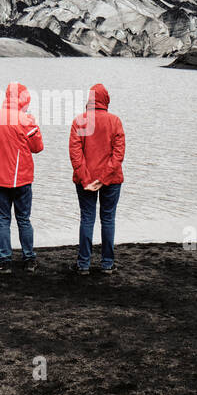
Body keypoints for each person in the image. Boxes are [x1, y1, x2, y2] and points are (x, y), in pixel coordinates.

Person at [0, 82, 43, 275]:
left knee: (3, 219)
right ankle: (29, 259)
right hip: (21, 178)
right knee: (23, 219)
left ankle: (4, 260)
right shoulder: (26, 119)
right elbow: (37, 147)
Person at [68, 83, 125, 274]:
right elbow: (118, 155)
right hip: (111, 179)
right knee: (108, 219)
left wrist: (87, 180)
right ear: (105, 100)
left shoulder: (80, 121)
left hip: (86, 180)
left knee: (87, 219)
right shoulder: (115, 121)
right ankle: (107, 264)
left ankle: (83, 264)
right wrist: (103, 178)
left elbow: (76, 155)